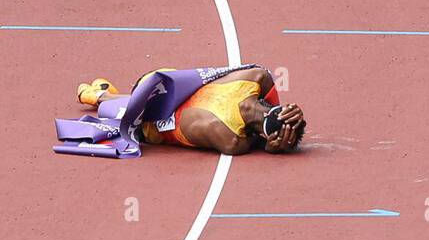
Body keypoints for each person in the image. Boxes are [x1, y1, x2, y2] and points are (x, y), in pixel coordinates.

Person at [77, 67, 305, 155]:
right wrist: (270, 147)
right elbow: (250, 141)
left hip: (160, 82)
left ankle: (102, 96)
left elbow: (268, 91)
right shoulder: (232, 140)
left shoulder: (258, 78)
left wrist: (281, 113)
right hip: (148, 121)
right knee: (120, 111)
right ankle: (102, 97)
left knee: (122, 107)